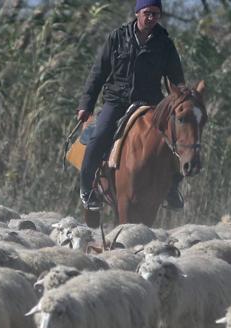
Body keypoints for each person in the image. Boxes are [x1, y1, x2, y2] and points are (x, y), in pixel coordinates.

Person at [77, 0, 185, 214]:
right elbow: (97, 74)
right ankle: (87, 188)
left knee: (177, 139)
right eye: (147, 13)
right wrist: (86, 104)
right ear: (137, 13)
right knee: (97, 137)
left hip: (151, 102)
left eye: (156, 14)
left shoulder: (165, 44)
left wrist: (183, 99)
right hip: (117, 100)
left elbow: (177, 79)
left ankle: (172, 187)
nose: (151, 18)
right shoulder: (116, 37)